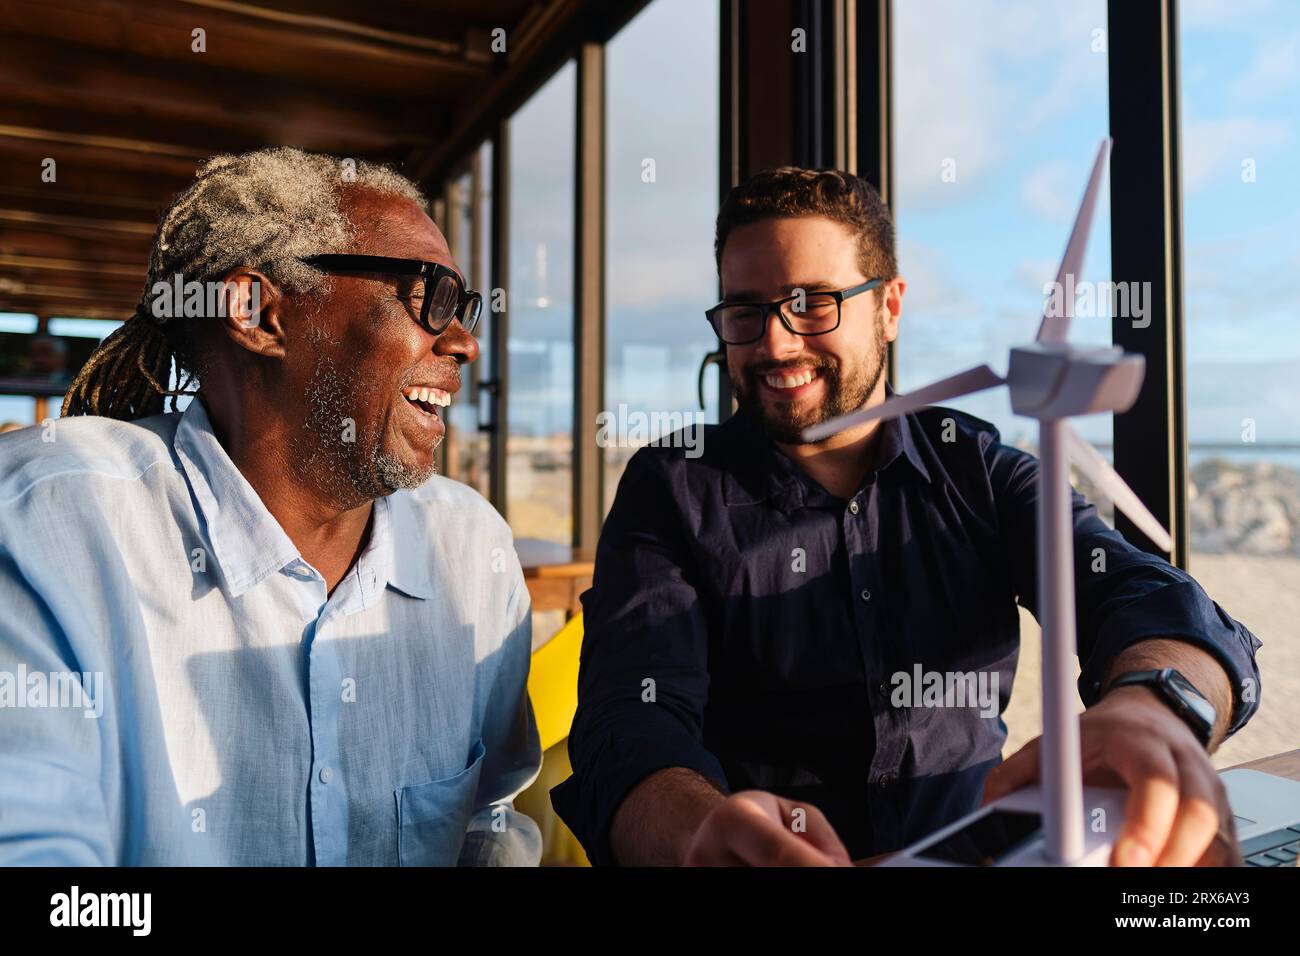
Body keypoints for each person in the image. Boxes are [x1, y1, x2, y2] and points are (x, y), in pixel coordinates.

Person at [551, 167, 1262, 867]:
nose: (774, 343)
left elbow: (1146, 596)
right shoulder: (671, 487)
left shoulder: (977, 469)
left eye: (811, 303)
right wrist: (699, 834)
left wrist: (1150, 707)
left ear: (889, 306)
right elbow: (631, 723)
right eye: (746, 312)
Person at [0, 148, 541, 866]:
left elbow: (487, 821)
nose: (466, 342)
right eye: (430, 294)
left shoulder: (472, 551)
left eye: (464, 307)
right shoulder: (55, 525)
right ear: (258, 312)